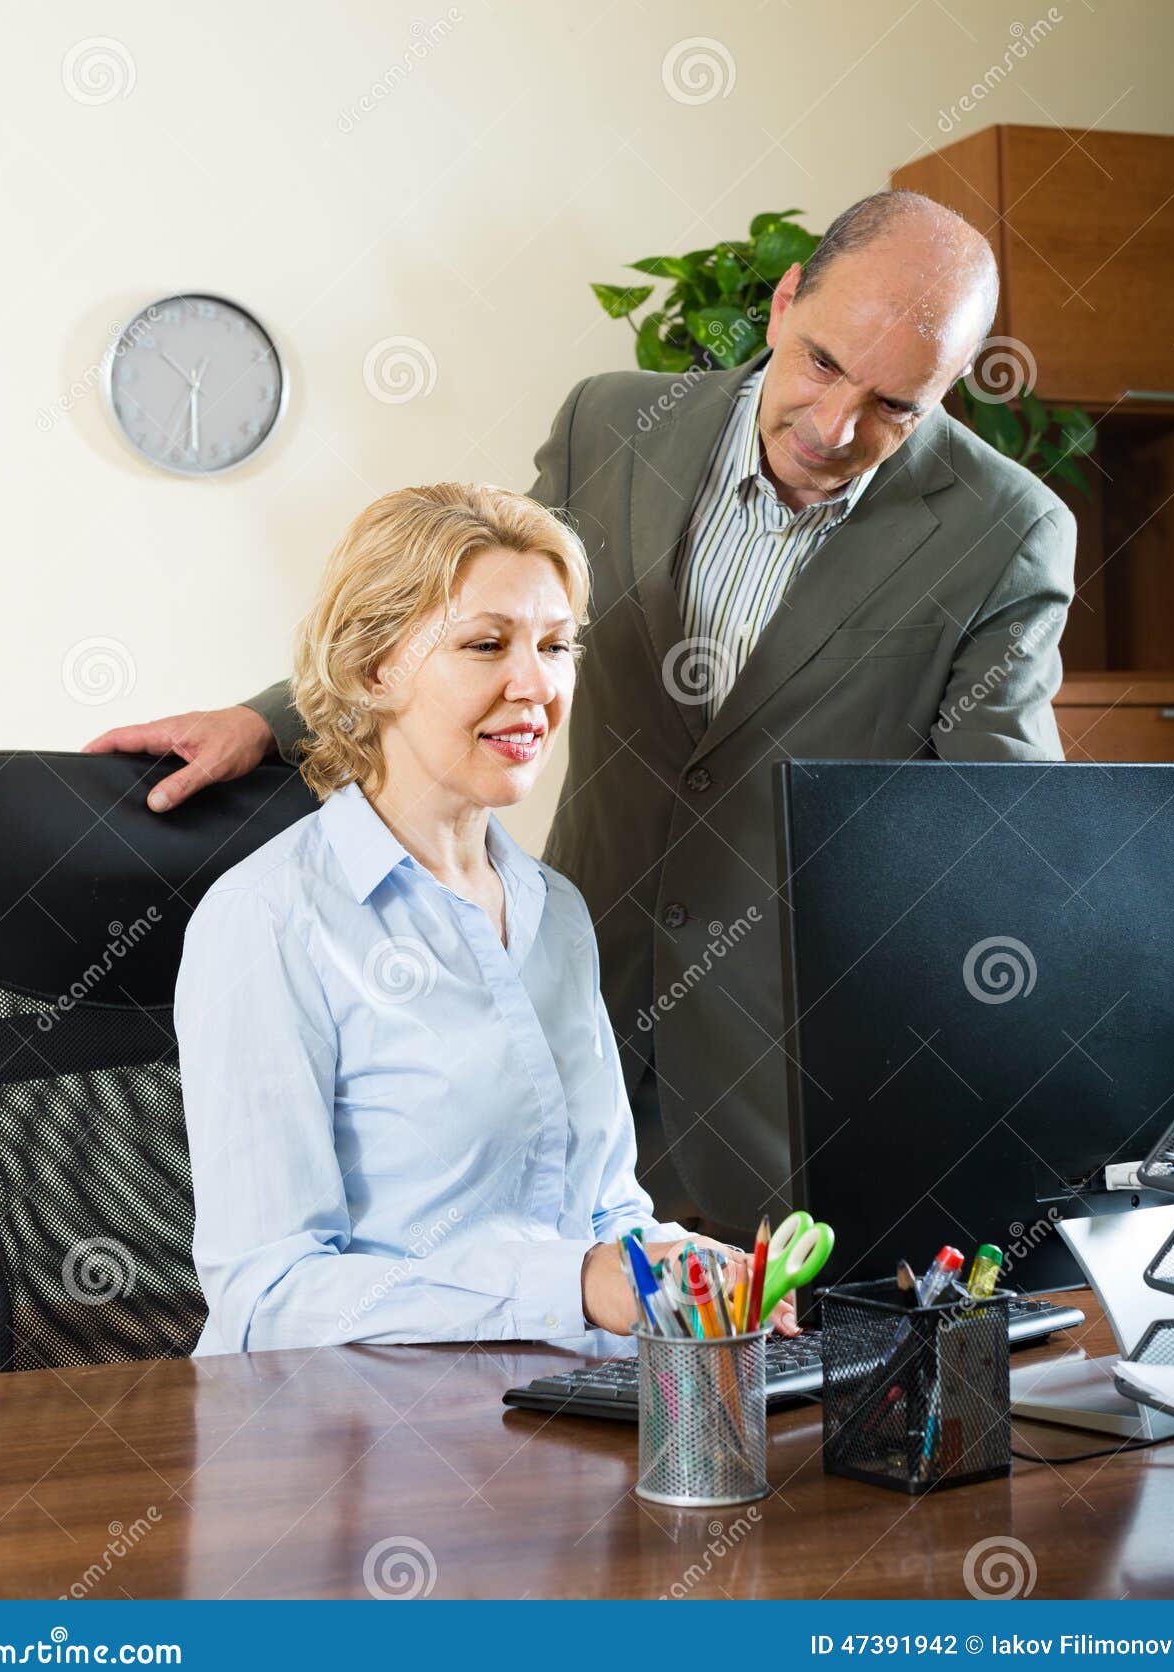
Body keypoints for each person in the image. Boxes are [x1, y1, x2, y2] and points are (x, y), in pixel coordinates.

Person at [90, 190, 1077, 1240]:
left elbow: (1003, 827)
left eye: (894, 407)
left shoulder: (1002, 532)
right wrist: (267, 718)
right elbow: (469, 611)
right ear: (785, 301)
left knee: (771, 1384)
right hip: (579, 988)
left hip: (791, 1076)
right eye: (822, 365)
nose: (834, 428)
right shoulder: (612, 426)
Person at [173, 483, 765, 1354]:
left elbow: (604, 1209)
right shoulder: (270, 919)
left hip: (560, 1416)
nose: (536, 685)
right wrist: (570, 1287)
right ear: (375, 668)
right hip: (360, 1453)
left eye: (557, 646)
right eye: (486, 645)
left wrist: (680, 1269)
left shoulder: (554, 910)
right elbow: (270, 1298)